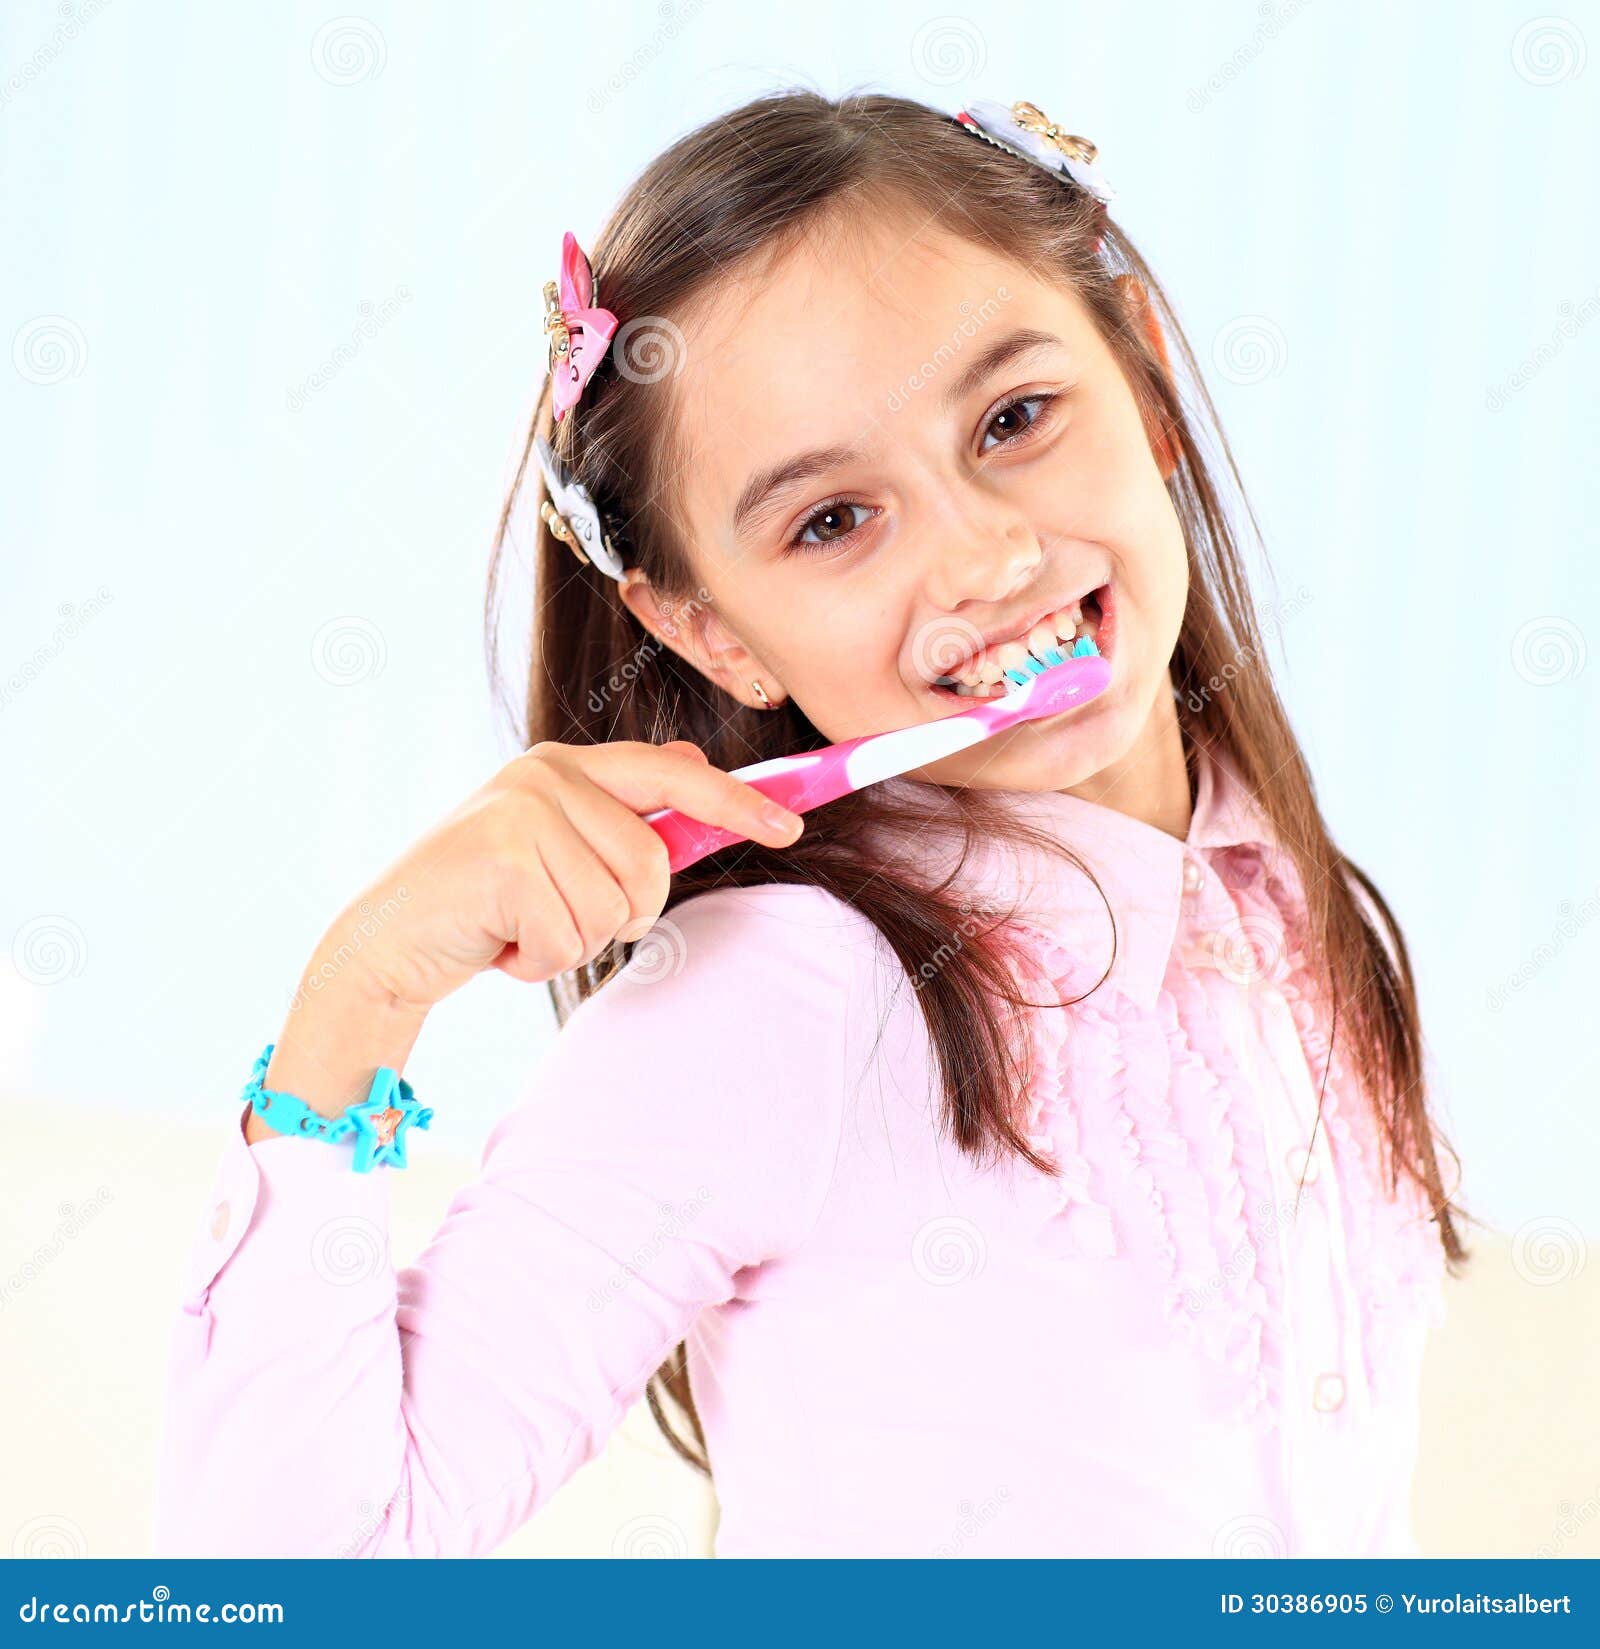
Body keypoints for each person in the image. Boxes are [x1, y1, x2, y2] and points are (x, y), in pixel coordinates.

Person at [153, 90, 1472, 1559]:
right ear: (714, 632)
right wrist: (363, 990)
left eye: (1015, 419)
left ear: (1146, 376)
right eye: (832, 521)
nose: (990, 553)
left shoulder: (1283, 897)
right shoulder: (775, 996)